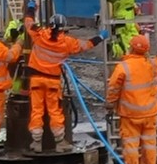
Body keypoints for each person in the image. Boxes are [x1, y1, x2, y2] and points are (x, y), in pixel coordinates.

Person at [25, 14, 104, 151]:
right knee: (54, 111)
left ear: (50, 24)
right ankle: (60, 142)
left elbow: (28, 23)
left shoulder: (40, 34)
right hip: (53, 82)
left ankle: (36, 142)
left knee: (37, 110)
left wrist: (31, 10)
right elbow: (87, 45)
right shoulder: (68, 42)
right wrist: (100, 37)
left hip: (36, 80)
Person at [104, 32, 157, 164]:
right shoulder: (152, 65)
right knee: (149, 144)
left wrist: (110, 105)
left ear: (131, 48)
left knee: (131, 146)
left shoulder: (123, 67)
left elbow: (113, 88)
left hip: (130, 115)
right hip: (150, 113)